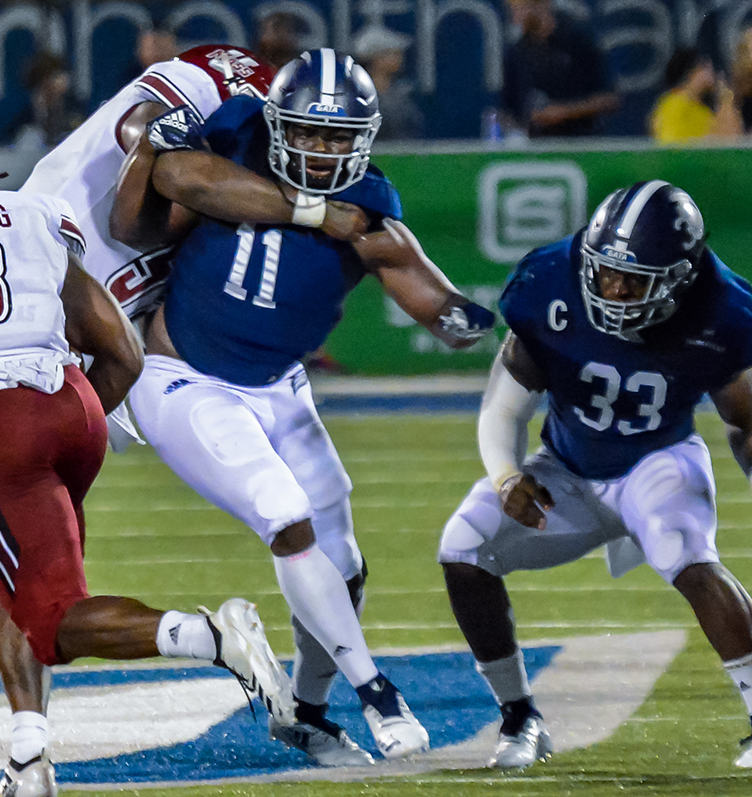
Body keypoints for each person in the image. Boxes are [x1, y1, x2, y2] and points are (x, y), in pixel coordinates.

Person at [0, 45, 372, 771]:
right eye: (306, 135)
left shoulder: (5, 211)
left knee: (13, 557)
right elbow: (145, 164)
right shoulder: (190, 114)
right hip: (12, 344)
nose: (314, 152)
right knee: (22, 563)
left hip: (42, 347)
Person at [109, 49, 497, 763]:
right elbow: (176, 175)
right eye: (310, 134)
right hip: (183, 378)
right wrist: (317, 214)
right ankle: (376, 688)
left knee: (344, 565)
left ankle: (309, 712)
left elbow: (421, 284)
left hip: (280, 387)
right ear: (278, 124)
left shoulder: (371, 205)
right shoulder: (240, 138)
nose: (323, 150)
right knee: (285, 517)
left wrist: (463, 318)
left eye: (339, 137)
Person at [437, 180, 752, 770]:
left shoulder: (723, 311)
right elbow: (505, 405)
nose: (617, 288)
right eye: (606, 272)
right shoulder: (549, 281)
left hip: (657, 460)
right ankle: (519, 719)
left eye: (635, 278)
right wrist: (507, 478)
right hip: (567, 468)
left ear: (681, 276)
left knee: (687, 552)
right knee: (462, 546)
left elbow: (741, 412)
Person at [501, 0, 619, 137]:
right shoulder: (516, 52)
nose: (516, 15)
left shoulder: (579, 40)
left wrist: (563, 112)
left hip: (582, 143)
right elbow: (509, 109)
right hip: (535, 149)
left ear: (543, 5)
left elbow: (609, 99)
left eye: (521, 8)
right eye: (512, 9)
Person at [650, 48, 743, 144]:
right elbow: (671, 146)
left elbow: (727, 139)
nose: (712, 72)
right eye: (705, 66)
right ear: (693, 72)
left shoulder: (704, 111)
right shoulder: (672, 104)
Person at [353, 26, 423, 141]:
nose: (400, 58)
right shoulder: (358, 96)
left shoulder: (402, 93)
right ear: (376, 59)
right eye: (393, 54)